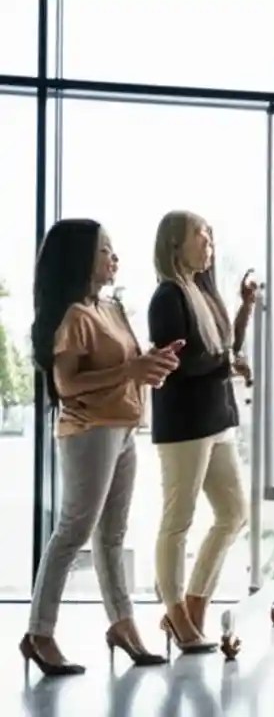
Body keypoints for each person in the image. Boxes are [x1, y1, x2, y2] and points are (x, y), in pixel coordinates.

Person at [22, 218, 182, 675]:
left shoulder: (112, 308)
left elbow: (128, 366)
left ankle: (123, 626)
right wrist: (130, 373)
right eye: (104, 250)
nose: (114, 258)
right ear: (80, 259)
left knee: (112, 537)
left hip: (125, 428)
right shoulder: (75, 316)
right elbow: (66, 382)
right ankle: (39, 632)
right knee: (73, 531)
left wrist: (154, 362)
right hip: (89, 430)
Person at [148, 210, 257, 655]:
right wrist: (224, 365)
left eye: (210, 234)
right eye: (200, 234)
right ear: (176, 244)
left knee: (234, 513)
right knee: (178, 522)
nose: (209, 240)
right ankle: (175, 614)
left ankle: (194, 603)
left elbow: (222, 347)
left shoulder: (202, 293)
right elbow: (178, 363)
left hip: (217, 419)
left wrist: (245, 308)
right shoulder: (167, 297)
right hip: (185, 425)